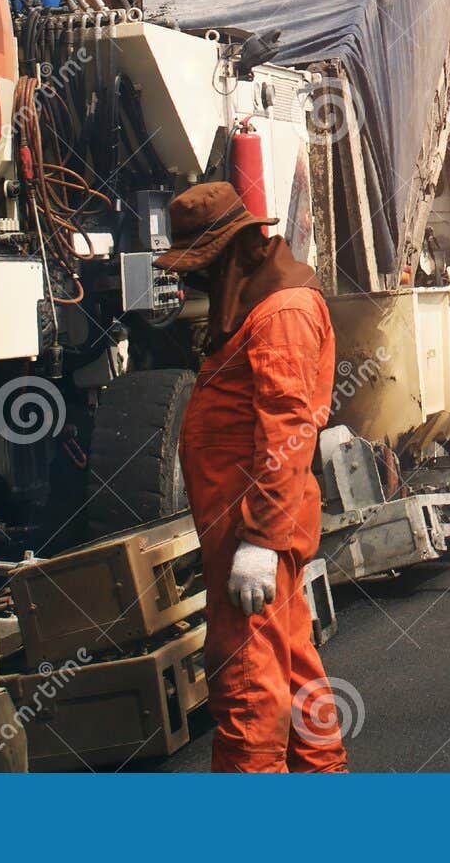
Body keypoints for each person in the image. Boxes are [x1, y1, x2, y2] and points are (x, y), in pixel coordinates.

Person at [154, 182, 349, 773]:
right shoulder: (268, 302)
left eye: (203, 269)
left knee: (247, 685)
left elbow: (286, 433)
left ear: (231, 253)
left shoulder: (279, 314)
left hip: (251, 532)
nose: (198, 284)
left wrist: (259, 541)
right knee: (291, 667)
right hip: (249, 529)